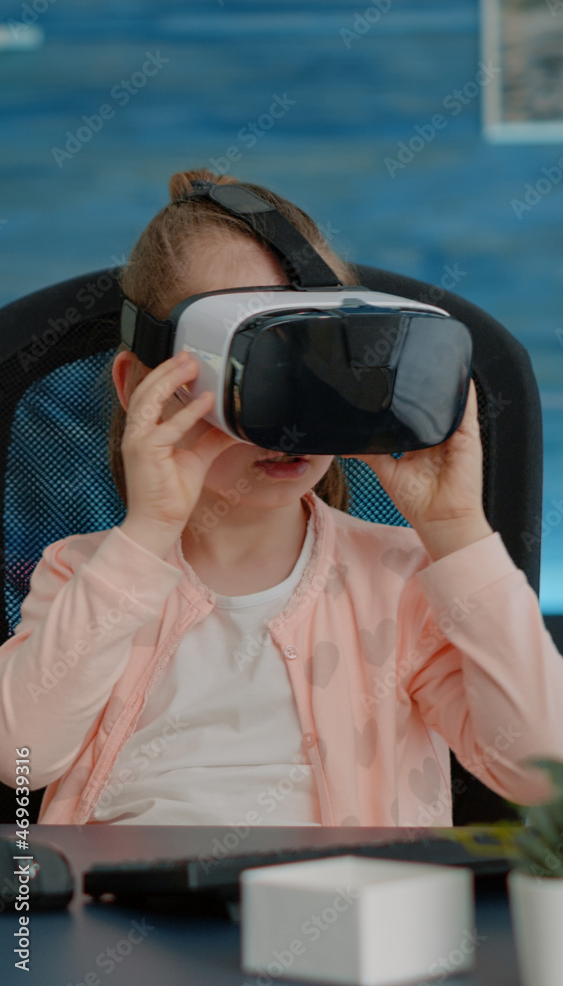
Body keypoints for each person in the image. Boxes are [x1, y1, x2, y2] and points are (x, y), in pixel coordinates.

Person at [0, 168, 562, 828]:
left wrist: (458, 534)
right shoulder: (82, 572)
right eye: (255, 370)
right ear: (141, 385)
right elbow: (22, 759)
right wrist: (145, 537)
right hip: (123, 912)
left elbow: (540, 774)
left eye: (321, 366)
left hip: (346, 908)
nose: (291, 413)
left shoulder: (401, 581)